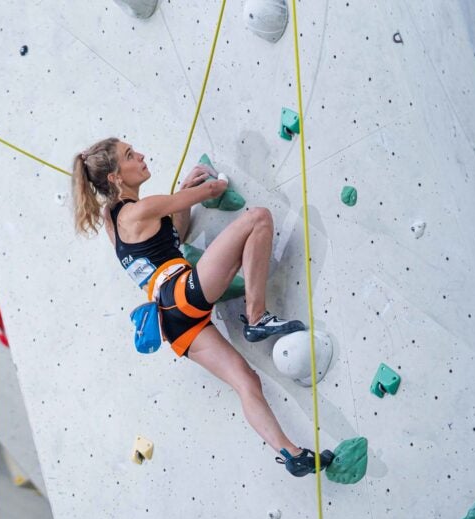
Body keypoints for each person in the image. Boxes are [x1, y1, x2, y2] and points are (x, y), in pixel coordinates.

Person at [72, 137, 332, 477]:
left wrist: (178, 198)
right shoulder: (141, 209)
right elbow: (211, 191)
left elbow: (171, 237)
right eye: (130, 155)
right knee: (258, 218)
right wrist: (207, 185)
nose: (142, 155)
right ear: (115, 177)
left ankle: (292, 453)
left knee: (246, 382)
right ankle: (256, 317)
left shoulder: (112, 219)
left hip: (174, 321)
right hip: (181, 293)